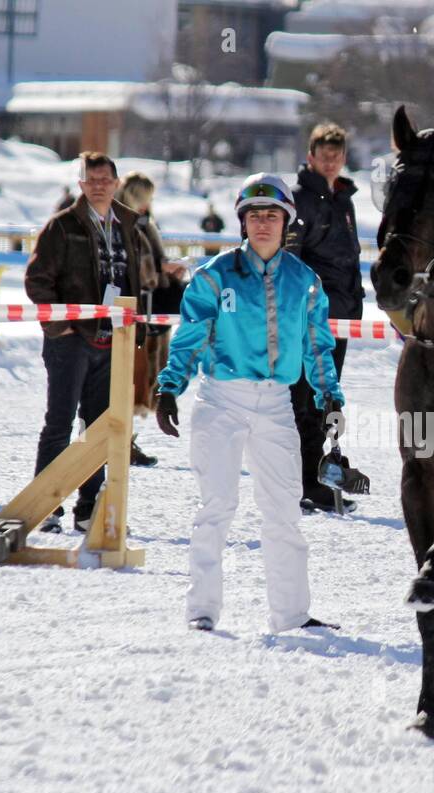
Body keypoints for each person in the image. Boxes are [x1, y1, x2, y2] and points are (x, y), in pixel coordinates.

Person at [155, 173, 344, 634]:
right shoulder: (212, 276)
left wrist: (330, 398)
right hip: (222, 399)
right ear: (242, 222)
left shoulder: (306, 282)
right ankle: (202, 611)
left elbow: (319, 346)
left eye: (272, 215)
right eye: (254, 215)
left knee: (284, 511)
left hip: (277, 405)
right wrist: (169, 386)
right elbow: (190, 337)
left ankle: (292, 616)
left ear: (286, 223)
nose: (263, 223)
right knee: (216, 507)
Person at [25, 151, 146, 533]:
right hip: (71, 339)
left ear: (115, 184)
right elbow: (37, 280)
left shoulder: (128, 224)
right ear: (81, 184)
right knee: (58, 422)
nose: (98, 186)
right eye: (91, 180)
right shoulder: (61, 226)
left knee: (97, 427)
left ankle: (88, 507)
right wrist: (61, 326)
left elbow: (135, 281)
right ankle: (45, 505)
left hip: (113, 341)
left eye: (104, 180)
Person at [284, 122, 370, 512]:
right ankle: (305, 484)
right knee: (305, 403)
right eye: (324, 155)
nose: (331, 161)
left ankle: (320, 475)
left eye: (337, 155)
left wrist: (353, 305)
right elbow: (292, 262)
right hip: (311, 321)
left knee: (325, 402)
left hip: (341, 318)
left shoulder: (343, 200)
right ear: (311, 157)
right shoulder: (300, 199)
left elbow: (347, 262)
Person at [114, 171, 189, 468]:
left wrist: (165, 271)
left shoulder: (143, 224)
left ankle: (123, 441)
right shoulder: (123, 225)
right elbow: (133, 269)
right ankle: (116, 442)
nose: (146, 205)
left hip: (148, 313)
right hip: (133, 313)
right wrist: (163, 270)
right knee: (126, 380)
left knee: (136, 380)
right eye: (142, 199)